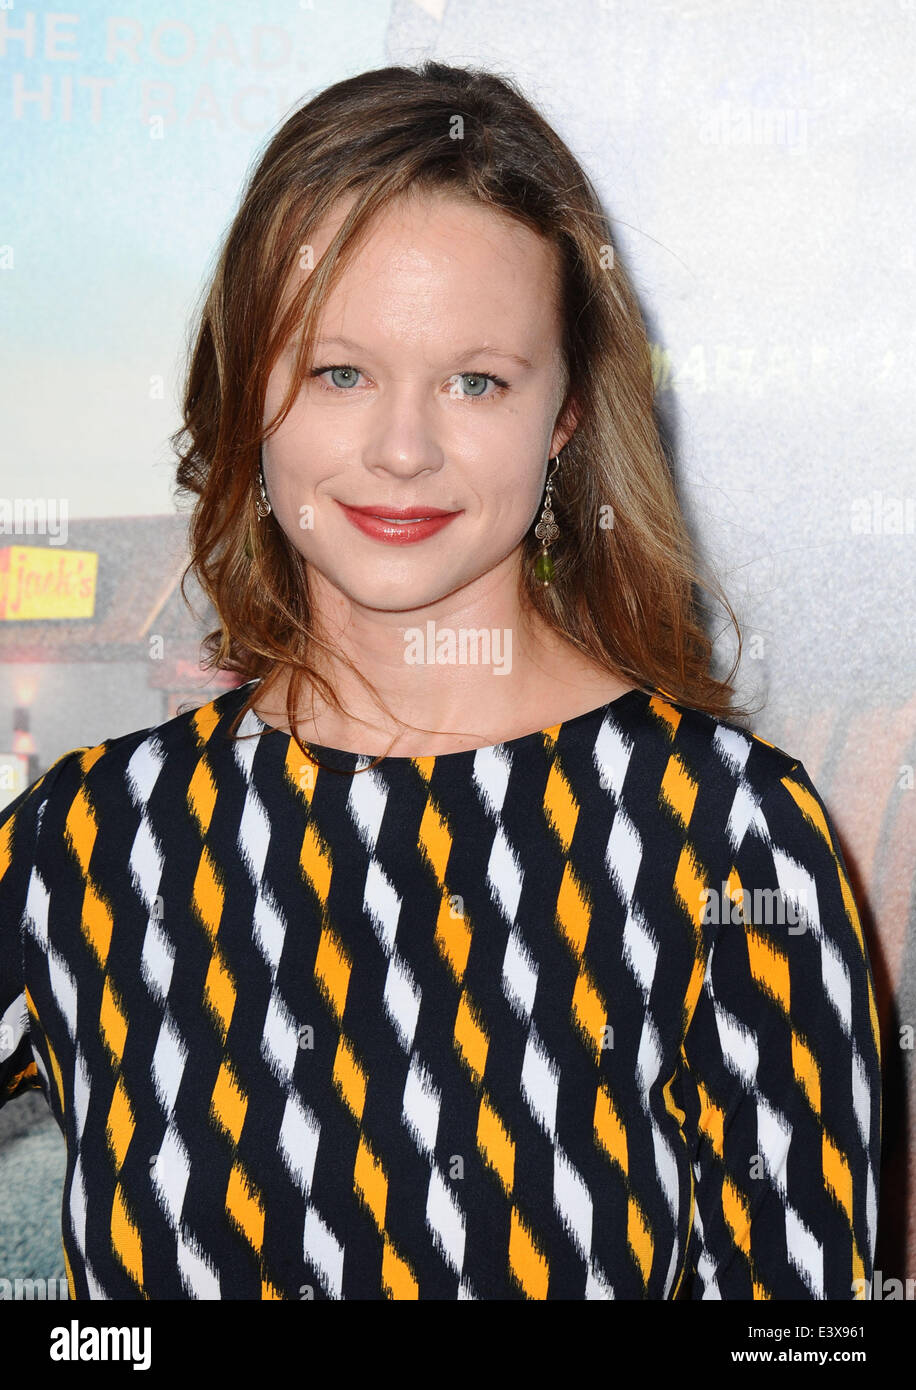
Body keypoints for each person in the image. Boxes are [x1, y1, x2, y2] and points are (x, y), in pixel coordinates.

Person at [0, 61, 880, 1300]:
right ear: (250, 386)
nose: (402, 449)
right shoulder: (84, 838)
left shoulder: (730, 839)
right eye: (337, 371)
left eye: (477, 381)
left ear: (564, 412)